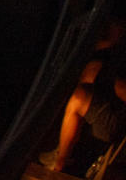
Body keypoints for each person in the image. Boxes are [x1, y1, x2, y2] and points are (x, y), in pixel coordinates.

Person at [39, 19, 126, 173]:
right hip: (109, 107)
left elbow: (120, 88)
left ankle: (59, 164)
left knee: (78, 98)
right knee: (79, 87)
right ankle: (62, 149)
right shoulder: (112, 50)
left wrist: (104, 77)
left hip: (118, 122)